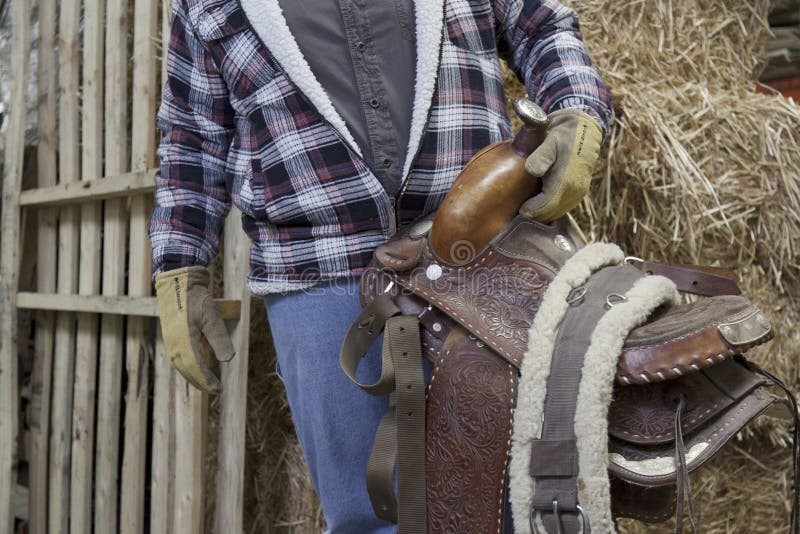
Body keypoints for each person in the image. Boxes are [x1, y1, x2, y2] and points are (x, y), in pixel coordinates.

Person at [149, 0, 612, 532]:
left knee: (512, 504)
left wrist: (576, 106)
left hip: (477, 252)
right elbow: (191, 134)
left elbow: (541, 24)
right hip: (317, 272)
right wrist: (181, 260)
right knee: (367, 519)